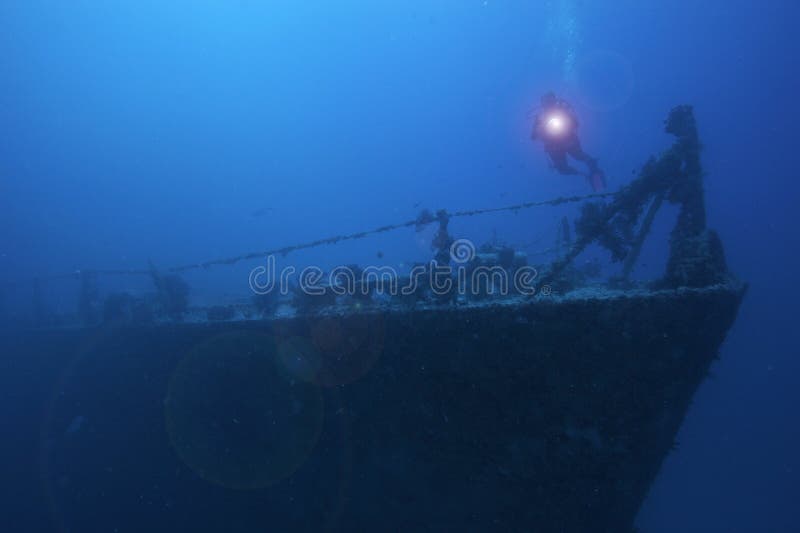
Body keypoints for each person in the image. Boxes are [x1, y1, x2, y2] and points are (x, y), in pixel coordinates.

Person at [531, 92, 606, 192]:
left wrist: (568, 123)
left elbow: (576, 123)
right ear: (543, 104)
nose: (549, 104)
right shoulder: (540, 117)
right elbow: (533, 137)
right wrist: (539, 130)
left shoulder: (563, 110)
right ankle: (582, 175)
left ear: (554, 101)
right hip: (553, 147)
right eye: (546, 102)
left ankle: (594, 170)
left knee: (579, 156)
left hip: (568, 140)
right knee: (562, 169)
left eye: (551, 101)